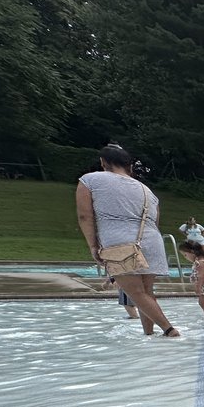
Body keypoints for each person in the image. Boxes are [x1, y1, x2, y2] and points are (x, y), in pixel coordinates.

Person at [76, 143, 180, 337]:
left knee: (135, 293)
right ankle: (148, 334)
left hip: (119, 241)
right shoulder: (146, 190)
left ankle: (169, 330)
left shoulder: (90, 180)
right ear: (129, 165)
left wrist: (93, 245)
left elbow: (85, 216)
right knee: (146, 293)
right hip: (151, 240)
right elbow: (154, 220)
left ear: (103, 162)